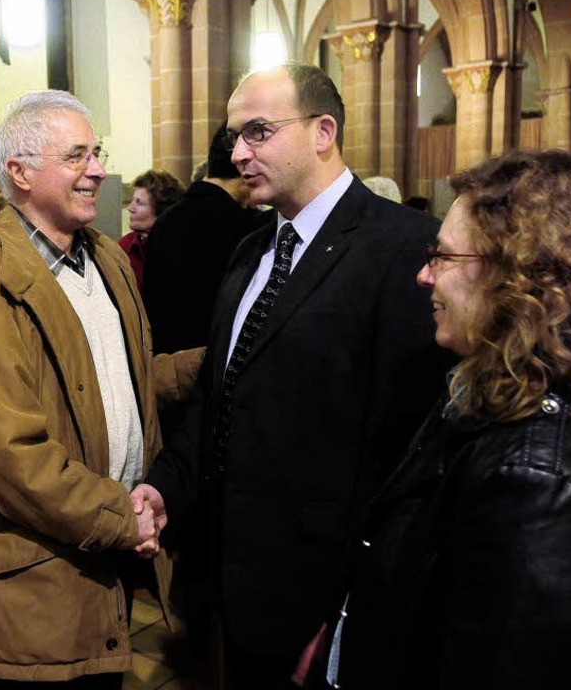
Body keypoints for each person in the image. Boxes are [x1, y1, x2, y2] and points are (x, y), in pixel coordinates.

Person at [135, 62, 451, 689]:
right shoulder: (250, 249)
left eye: (258, 132)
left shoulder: (402, 247)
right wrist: (167, 485)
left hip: (327, 597)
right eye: (234, 137)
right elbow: (217, 396)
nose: (238, 153)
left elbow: (408, 458)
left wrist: (351, 607)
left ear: (323, 131)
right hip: (233, 580)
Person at [316, 149, 571, 690]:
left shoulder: (539, 481)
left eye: (443, 256)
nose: (423, 274)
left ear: (521, 277)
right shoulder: (488, 388)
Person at [0, 89, 199, 687]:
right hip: (35, 585)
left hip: (101, 558)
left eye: (96, 153)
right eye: (77, 156)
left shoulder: (105, 257)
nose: (98, 170)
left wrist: (218, 361)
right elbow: (6, 458)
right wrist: (124, 519)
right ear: (20, 173)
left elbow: (120, 381)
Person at [144, 122, 268, 354]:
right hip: (213, 361)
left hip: (165, 361)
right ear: (245, 171)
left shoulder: (166, 220)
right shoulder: (245, 228)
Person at [119, 169, 184, 295]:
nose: (130, 208)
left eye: (139, 203)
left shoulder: (180, 248)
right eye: (133, 201)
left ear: (161, 211)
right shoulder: (124, 246)